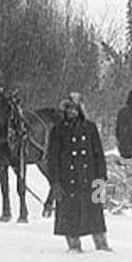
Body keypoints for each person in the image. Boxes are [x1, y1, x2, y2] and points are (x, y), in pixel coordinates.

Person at [45, 92, 110, 251]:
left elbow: (98, 154)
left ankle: (101, 244)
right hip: (68, 182)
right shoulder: (58, 130)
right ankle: (73, 245)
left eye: (75, 109)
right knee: (70, 215)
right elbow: (52, 158)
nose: (72, 112)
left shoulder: (90, 128)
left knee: (95, 214)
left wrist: (101, 178)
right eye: (69, 109)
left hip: (90, 179)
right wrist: (55, 182)